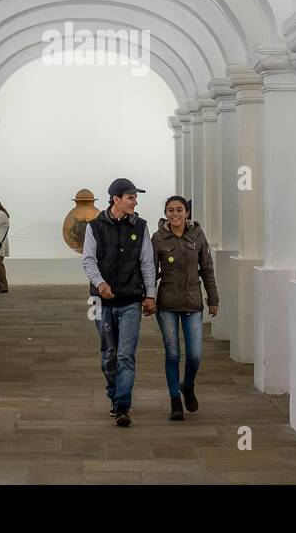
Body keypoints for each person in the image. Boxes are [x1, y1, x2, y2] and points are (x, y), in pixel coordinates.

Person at [81, 178, 156, 427]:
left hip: (131, 300)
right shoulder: (94, 227)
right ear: (116, 199)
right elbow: (88, 260)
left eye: (135, 197)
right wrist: (101, 284)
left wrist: (150, 295)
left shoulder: (141, 226)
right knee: (108, 355)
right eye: (131, 197)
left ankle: (123, 405)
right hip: (100, 302)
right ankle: (114, 394)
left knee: (125, 355)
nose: (135, 202)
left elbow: (147, 262)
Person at [151, 195, 219, 420]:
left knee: (195, 355)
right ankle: (175, 400)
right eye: (170, 210)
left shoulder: (197, 235)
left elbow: (207, 269)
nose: (175, 214)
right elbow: (150, 271)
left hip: (193, 303)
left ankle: (187, 385)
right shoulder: (158, 238)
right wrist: (148, 298)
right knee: (172, 353)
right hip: (167, 305)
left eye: (179, 210)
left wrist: (213, 299)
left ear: (187, 213)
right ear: (166, 213)